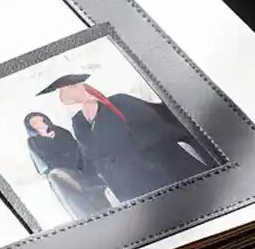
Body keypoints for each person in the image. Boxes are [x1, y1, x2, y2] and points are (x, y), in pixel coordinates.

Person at [38, 74, 211, 202]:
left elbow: (157, 129)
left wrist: (132, 154)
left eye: (64, 88)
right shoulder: (78, 121)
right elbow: (91, 154)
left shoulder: (120, 102)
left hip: (160, 170)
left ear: (78, 86)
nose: (61, 94)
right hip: (127, 184)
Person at [23, 111, 112, 219]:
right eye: (35, 122)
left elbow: (76, 149)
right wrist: (48, 139)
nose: (39, 123)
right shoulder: (34, 141)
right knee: (61, 179)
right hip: (60, 171)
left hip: (77, 166)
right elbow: (48, 159)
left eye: (40, 120)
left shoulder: (61, 132)